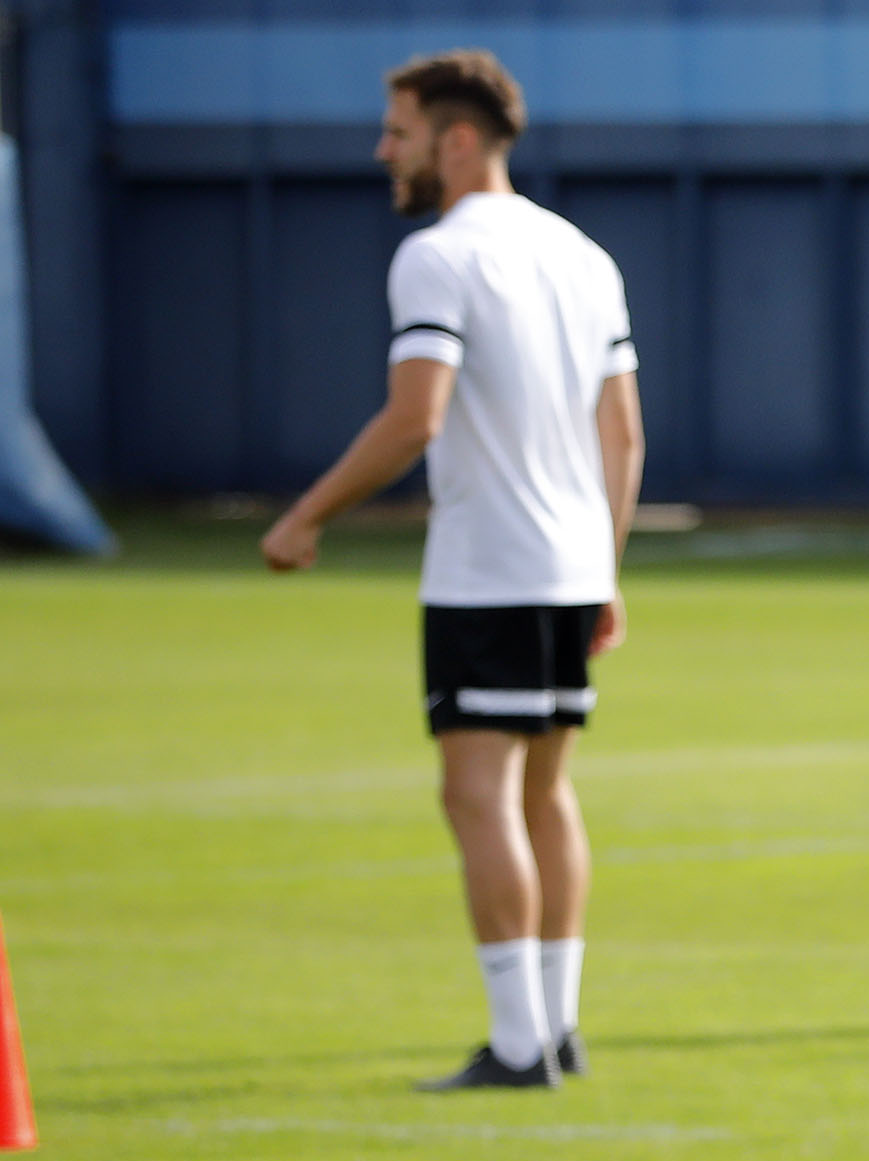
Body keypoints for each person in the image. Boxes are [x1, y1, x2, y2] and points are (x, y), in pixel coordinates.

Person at [262, 50, 643, 1089]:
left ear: (456, 138)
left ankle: (520, 1046)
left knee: (476, 795)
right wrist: (603, 568)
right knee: (546, 792)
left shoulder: (439, 256)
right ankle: (555, 1031)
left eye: (397, 131)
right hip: (569, 566)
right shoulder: (583, 254)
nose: (383, 151)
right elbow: (625, 435)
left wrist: (306, 514)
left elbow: (412, 418)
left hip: (489, 569)